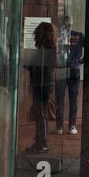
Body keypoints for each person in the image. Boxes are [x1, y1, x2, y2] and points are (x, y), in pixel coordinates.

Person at [25, 22, 57, 154]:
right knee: (41, 114)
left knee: (40, 115)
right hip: (45, 85)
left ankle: (41, 143)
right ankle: (41, 142)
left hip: (41, 85)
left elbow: (35, 67)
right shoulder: (51, 50)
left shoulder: (43, 51)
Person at [55, 27, 84, 137]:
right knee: (73, 99)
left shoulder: (59, 35)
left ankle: (60, 127)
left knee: (60, 98)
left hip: (62, 69)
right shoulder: (79, 35)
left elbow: (53, 51)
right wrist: (79, 61)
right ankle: (71, 126)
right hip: (74, 69)